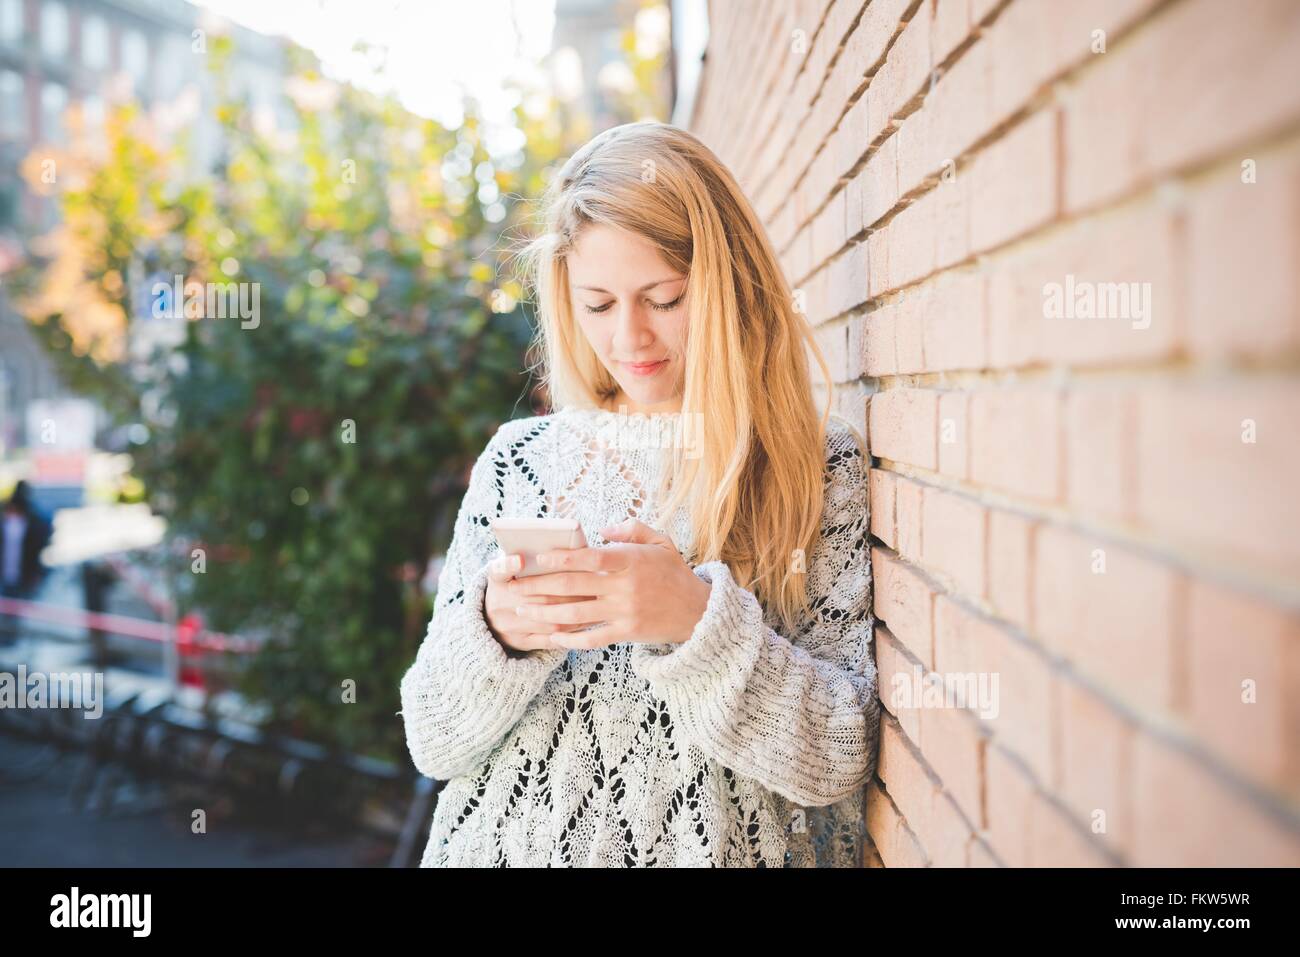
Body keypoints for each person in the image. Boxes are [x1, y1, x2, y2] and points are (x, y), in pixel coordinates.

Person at [398, 121, 878, 867]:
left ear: (726, 283)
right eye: (597, 304)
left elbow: (838, 754)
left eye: (663, 296)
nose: (630, 338)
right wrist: (497, 631)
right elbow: (430, 739)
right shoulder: (519, 462)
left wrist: (694, 621)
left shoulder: (809, 464)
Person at [0, 481, 53, 640]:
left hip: (22, 575)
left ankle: (12, 639)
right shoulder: (8, 522)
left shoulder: (34, 523)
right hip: (7, 575)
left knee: (16, 610)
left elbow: (39, 545)